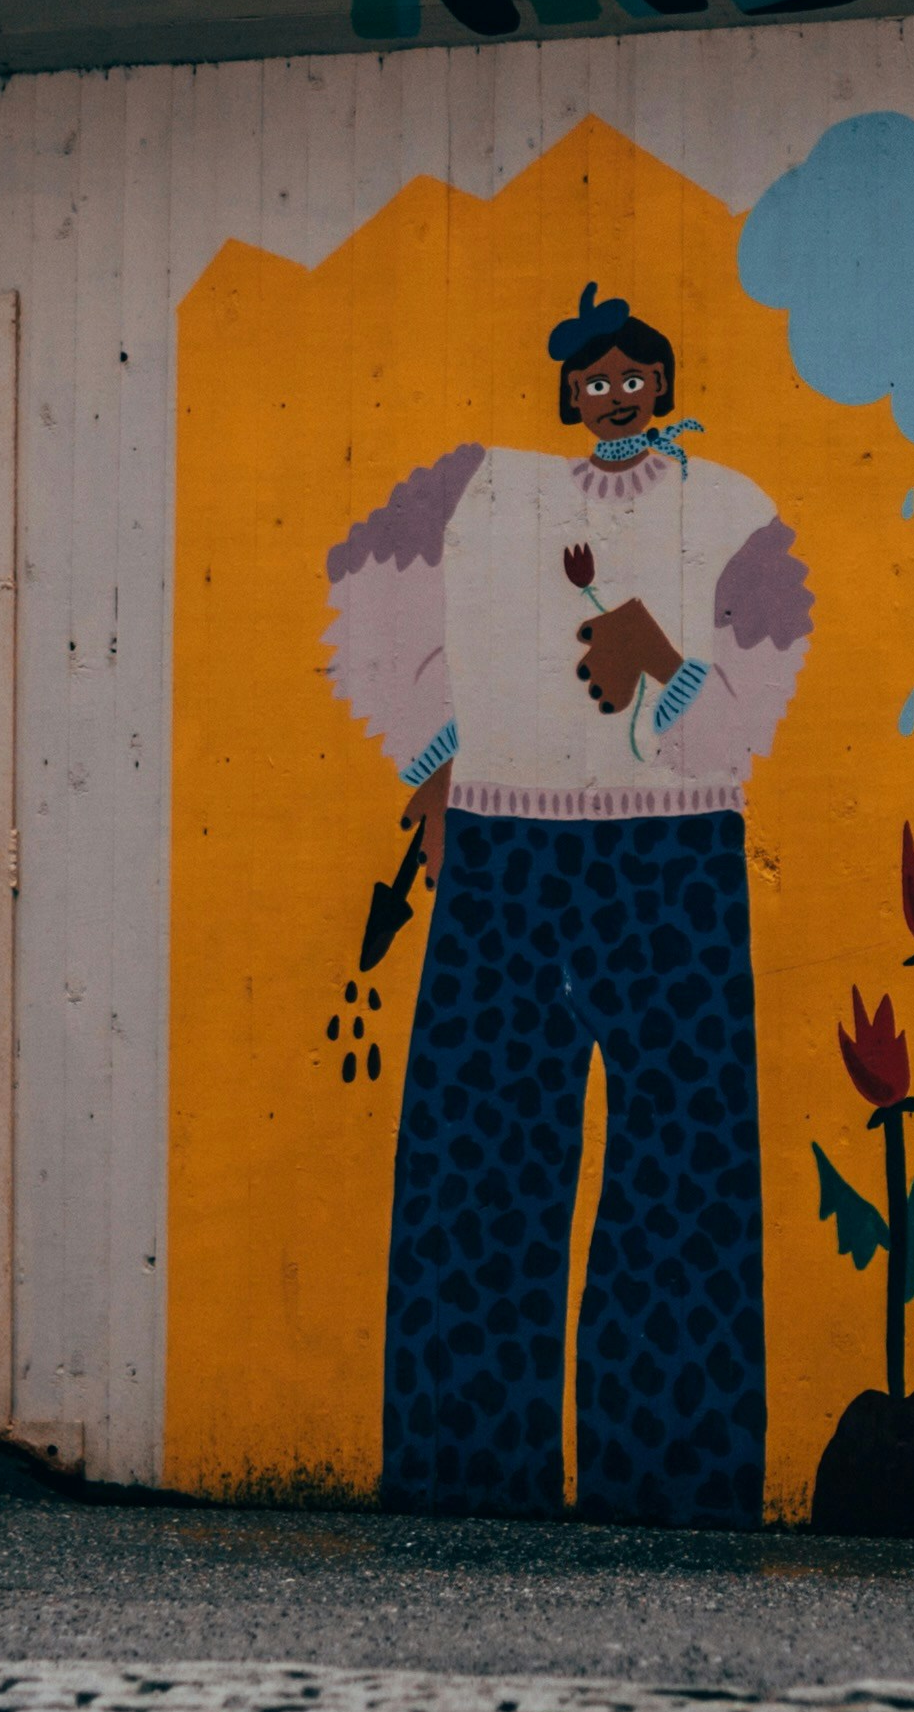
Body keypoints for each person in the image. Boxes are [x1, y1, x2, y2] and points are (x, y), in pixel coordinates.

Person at [321, 285, 812, 1522]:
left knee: (683, 1181)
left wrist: (661, 661)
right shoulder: (480, 486)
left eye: (629, 374)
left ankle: (675, 1481)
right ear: (566, 392)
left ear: (662, 378)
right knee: (476, 1176)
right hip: (503, 848)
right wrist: (431, 760)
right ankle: (460, 1471)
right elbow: (363, 586)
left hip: (674, 855)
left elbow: (739, 731)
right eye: (589, 378)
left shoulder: (733, 508)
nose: (612, 395)